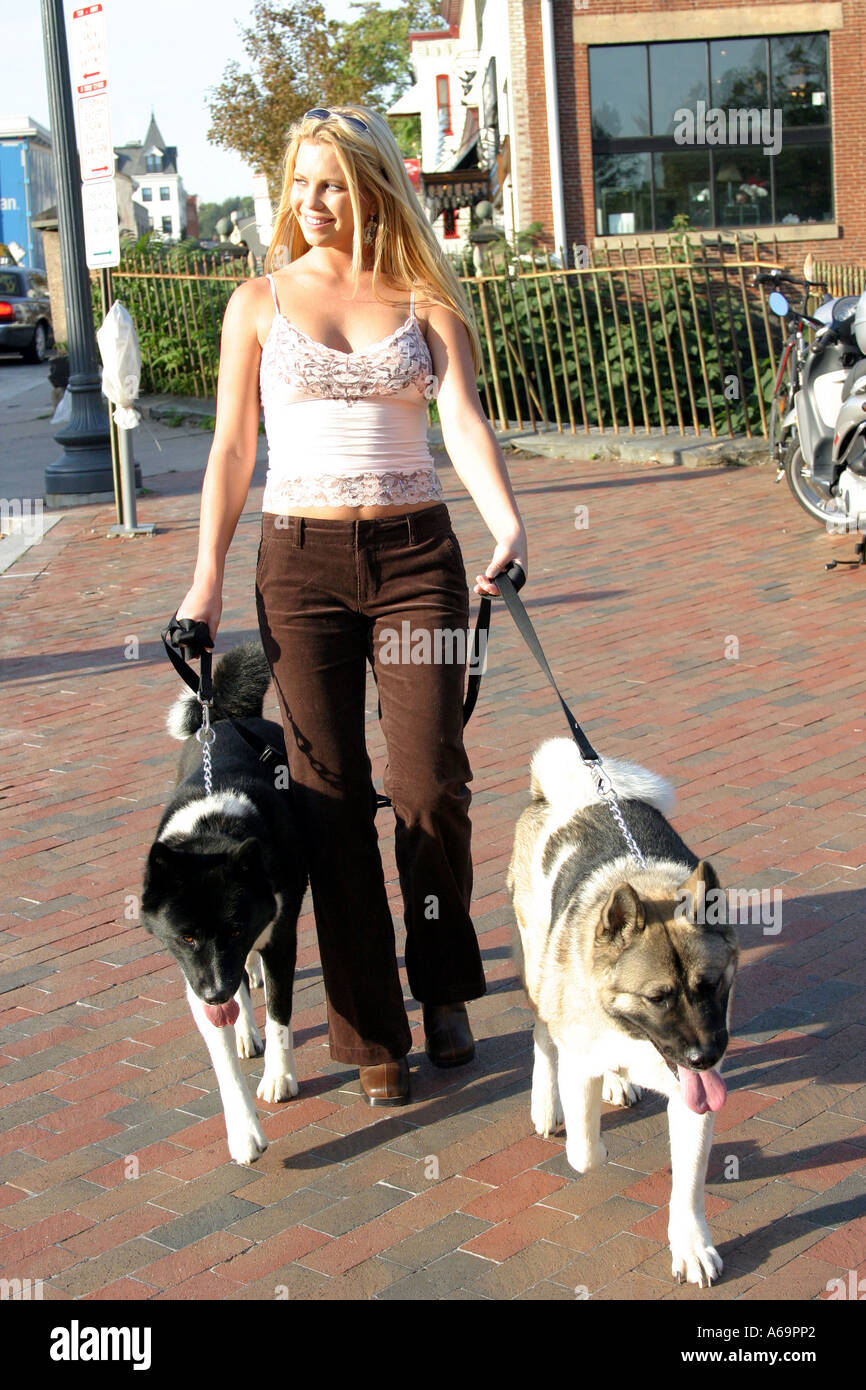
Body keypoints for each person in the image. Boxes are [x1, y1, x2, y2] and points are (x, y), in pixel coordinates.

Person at [176, 105, 528, 1106]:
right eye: (299, 184)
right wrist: (203, 580)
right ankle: (372, 1026)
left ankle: (445, 981)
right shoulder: (254, 303)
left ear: (373, 183)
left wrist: (506, 526)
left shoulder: (423, 299)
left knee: (427, 785)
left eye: (332, 182)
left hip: (416, 555)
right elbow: (232, 448)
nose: (313, 203)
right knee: (329, 806)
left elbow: (461, 420)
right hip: (300, 568)